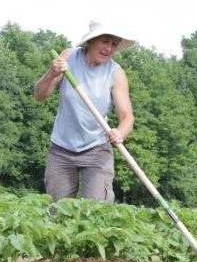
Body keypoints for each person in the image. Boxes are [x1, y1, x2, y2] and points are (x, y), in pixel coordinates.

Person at [34, 21, 135, 202]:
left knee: (98, 210)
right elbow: (39, 95)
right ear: (91, 41)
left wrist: (120, 132)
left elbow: (127, 117)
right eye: (105, 41)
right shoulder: (69, 57)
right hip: (61, 148)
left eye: (114, 44)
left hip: (96, 149)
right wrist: (51, 73)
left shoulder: (115, 73)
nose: (109, 48)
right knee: (58, 211)